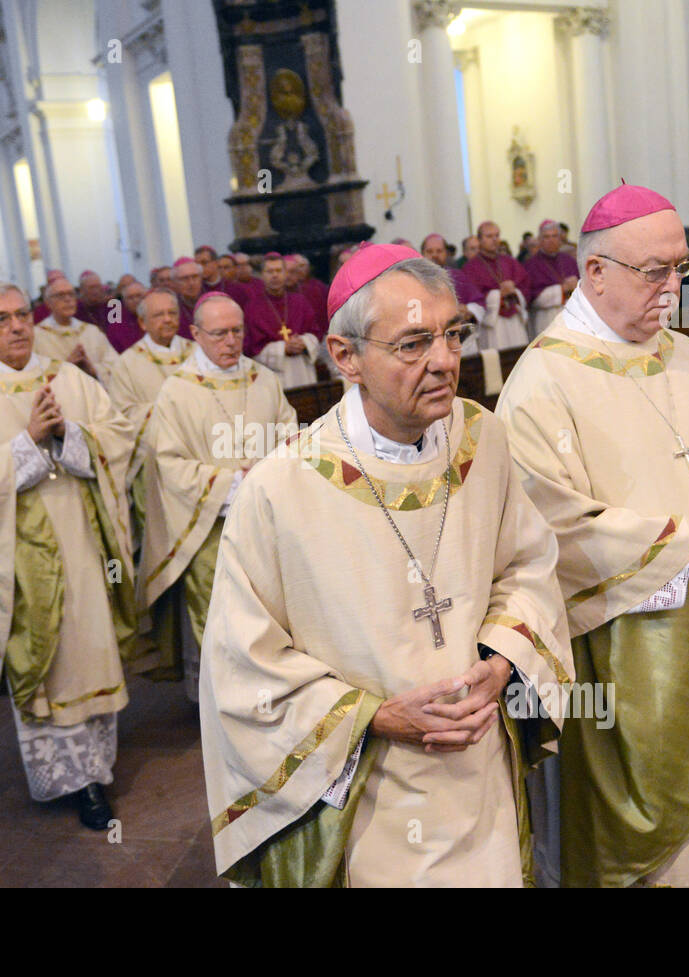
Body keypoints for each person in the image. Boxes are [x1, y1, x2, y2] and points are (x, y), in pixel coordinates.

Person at [198, 244, 573, 886]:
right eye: (413, 343)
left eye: (453, 334)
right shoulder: (280, 489)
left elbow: (528, 568)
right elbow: (241, 663)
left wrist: (503, 660)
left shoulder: (485, 441)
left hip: (482, 768)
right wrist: (375, 715)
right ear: (345, 357)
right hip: (367, 793)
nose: (445, 361)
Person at [495, 183, 689, 888]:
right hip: (629, 662)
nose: (672, 289)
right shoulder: (542, 383)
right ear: (595, 272)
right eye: (654, 272)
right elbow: (551, 528)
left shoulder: (685, 356)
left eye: (681, 269)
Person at [0, 280, 136, 830]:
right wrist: (27, 442)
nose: (17, 326)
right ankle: (78, 782)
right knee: (51, 663)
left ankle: (98, 769)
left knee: (89, 652)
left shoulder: (68, 378)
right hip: (21, 556)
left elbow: (117, 436)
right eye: (0, 320)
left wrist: (70, 435)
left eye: (22, 314)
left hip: (83, 539)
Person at [140, 292, 297, 701]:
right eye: (219, 333)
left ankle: (276, 697)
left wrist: (269, 473)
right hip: (210, 525)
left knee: (274, 615)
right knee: (222, 620)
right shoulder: (177, 391)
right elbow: (168, 463)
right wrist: (232, 483)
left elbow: (289, 434)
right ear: (194, 334)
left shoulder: (264, 378)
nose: (230, 341)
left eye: (237, 331)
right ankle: (226, 703)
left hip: (267, 524)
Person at [104, 287, 191, 485]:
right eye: (159, 315)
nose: (168, 319)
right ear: (143, 323)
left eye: (172, 313)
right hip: (155, 462)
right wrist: (169, 409)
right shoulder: (126, 363)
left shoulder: (198, 354)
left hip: (200, 453)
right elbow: (122, 417)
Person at [243, 252, 325, 389]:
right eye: (270, 271)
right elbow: (251, 348)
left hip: (302, 369)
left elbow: (315, 332)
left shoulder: (300, 301)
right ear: (262, 275)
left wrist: (304, 342)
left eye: (278, 271)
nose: (275, 275)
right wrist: (283, 348)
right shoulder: (252, 308)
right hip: (273, 374)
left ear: (285, 273)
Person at [34, 275, 119, 386]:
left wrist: (93, 369)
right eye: (60, 295)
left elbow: (116, 366)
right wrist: (67, 367)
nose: (67, 299)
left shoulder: (92, 331)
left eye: (71, 294)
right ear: (48, 303)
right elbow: (33, 376)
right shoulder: (36, 336)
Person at [459, 221, 531, 348]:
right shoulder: (471, 267)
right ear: (480, 240)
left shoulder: (509, 261)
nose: (494, 240)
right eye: (489, 236)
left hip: (515, 321)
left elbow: (526, 287)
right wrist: (498, 295)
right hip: (492, 324)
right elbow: (473, 298)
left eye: (497, 236)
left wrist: (515, 291)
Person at [523, 220, 580, 335]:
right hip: (546, 319)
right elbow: (534, 300)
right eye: (546, 237)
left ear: (560, 239)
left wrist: (576, 285)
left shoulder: (568, 260)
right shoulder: (531, 264)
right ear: (540, 240)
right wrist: (562, 289)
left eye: (554, 236)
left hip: (572, 316)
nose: (551, 240)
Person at [102, 279, 147, 353]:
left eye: (139, 296)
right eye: (130, 298)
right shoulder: (115, 327)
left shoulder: (157, 319)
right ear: (124, 302)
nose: (135, 300)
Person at [171, 257, 205, 337]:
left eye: (195, 277)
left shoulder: (213, 301)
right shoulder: (171, 308)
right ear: (175, 282)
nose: (191, 283)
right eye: (184, 279)